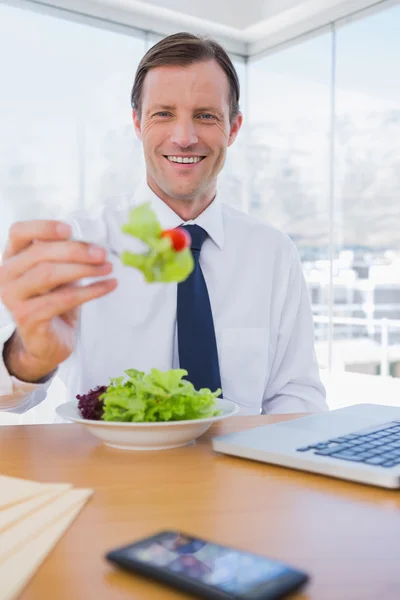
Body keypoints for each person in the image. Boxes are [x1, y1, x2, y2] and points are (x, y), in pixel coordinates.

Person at [0, 32, 327, 416]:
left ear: (233, 129)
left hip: (240, 473)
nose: (184, 137)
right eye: (163, 114)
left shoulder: (272, 253)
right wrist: (30, 357)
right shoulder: (79, 243)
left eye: (206, 116)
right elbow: (9, 397)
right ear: (138, 124)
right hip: (109, 473)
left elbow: (297, 397)